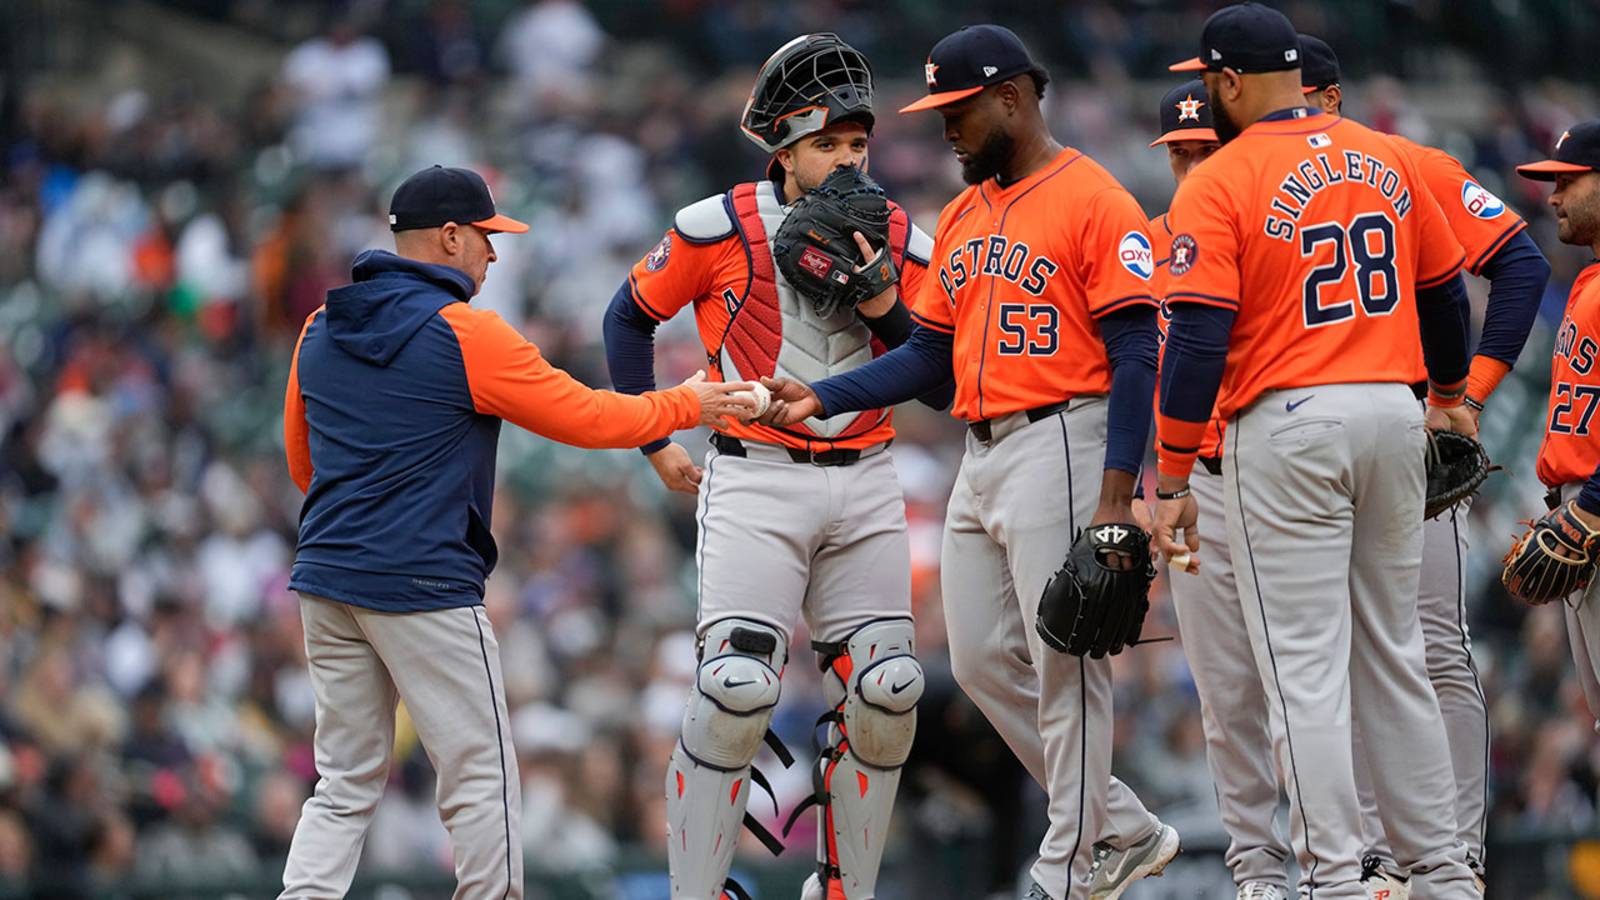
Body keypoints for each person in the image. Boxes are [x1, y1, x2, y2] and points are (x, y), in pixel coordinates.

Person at [760, 25, 1172, 900]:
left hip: (1067, 432)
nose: (945, 129)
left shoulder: (1094, 198)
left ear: (1014, 99)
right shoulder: (967, 214)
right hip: (981, 454)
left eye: (959, 109)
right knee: (983, 663)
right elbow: (930, 360)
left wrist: (1115, 499)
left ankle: (1065, 868)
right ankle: (1123, 824)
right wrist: (823, 395)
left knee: (1065, 662)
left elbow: (1139, 350)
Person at [279, 164, 755, 900]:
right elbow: (589, 416)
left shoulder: (320, 326)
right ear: (449, 236)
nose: (493, 254)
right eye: (486, 238)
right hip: (423, 583)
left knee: (343, 781)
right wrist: (684, 405)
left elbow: (302, 461)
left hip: (326, 580)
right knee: (483, 776)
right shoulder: (466, 332)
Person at [601, 34, 947, 900]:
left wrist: (882, 302)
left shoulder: (901, 235)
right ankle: (698, 891)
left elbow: (940, 376)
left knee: (891, 688)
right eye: (827, 143)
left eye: (857, 144)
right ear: (782, 147)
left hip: (867, 474)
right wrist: (653, 436)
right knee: (735, 688)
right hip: (754, 471)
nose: (846, 161)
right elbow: (626, 317)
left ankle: (844, 890)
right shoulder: (714, 226)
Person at [1151, 4, 1483, 897]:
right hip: (1393, 408)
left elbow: (1195, 340)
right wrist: (1449, 400)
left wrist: (1174, 472)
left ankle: (1335, 880)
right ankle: (1444, 873)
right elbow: (1448, 295)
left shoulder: (1220, 178)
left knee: (1303, 671)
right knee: (1395, 653)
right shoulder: (1387, 155)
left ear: (1226, 81)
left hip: (1289, 421)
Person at [1296, 34, 1549, 895]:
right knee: (1339, 652)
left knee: (1432, 643)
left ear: (1327, 98)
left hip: (1411, 419)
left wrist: (1466, 394)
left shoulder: (1407, 161)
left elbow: (1519, 261)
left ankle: (1453, 851)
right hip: (1310, 438)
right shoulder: (1252, 177)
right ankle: (1373, 860)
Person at [1145, 80, 1294, 900]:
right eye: (1184, 153)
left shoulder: (1267, 233)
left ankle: (1336, 859)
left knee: (1297, 678)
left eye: (1210, 151)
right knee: (1226, 694)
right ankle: (1259, 874)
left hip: (1273, 475)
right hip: (1191, 486)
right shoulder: (1148, 245)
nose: (1196, 165)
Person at [1514, 119, 1600, 775]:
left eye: (1569, 180)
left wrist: (1592, 504)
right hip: (1579, 514)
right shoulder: (1587, 281)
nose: (1554, 196)